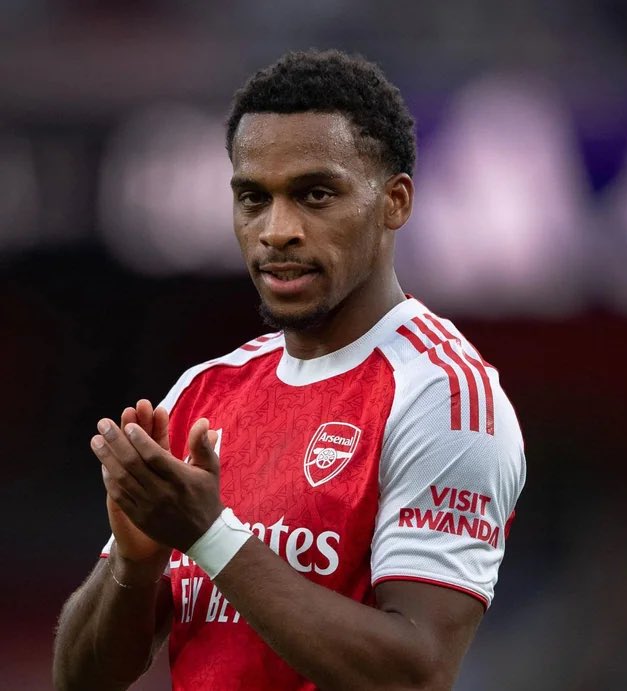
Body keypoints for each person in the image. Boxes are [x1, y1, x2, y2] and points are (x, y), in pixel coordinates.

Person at [53, 49, 526, 691]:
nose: (277, 231)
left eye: (315, 195)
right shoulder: (203, 393)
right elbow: (79, 680)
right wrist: (136, 561)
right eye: (254, 198)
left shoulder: (444, 396)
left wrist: (209, 534)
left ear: (394, 202)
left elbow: (415, 674)